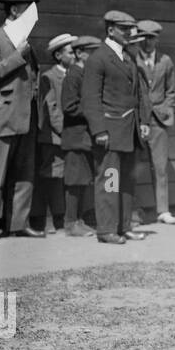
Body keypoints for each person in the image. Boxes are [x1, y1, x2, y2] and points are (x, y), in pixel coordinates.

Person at [0, 0, 44, 242]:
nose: (33, 16)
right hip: (4, 115)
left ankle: (18, 223)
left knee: (25, 174)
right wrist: (18, 55)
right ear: (14, 10)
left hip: (27, 117)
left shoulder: (25, 40)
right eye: (28, 10)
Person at [81, 10, 152, 244]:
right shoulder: (98, 59)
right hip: (110, 134)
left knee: (127, 182)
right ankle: (106, 230)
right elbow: (90, 98)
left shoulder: (128, 57)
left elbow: (139, 94)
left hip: (130, 132)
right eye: (124, 29)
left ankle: (124, 226)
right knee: (110, 181)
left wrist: (144, 122)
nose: (130, 33)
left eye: (131, 29)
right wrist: (99, 130)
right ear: (110, 30)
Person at [32, 33, 78, 233]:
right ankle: (49, 219)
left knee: (67, 177)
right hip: (53, 137)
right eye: (70, 53)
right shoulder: (49, 77)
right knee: (51, 177)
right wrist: (65, 132)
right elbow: (51, 109)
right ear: (58, 56)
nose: (75, 56)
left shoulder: (76, 75)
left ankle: (67, 218)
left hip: (69, 137)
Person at [135, 20, 175, 224]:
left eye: (151, 37)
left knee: (160, 167)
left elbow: (171, 91)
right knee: (132, 167)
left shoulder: (166, 61)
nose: (148, 41)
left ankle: (163, 210)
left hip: (159, 120)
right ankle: (132, 211)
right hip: (136, 120)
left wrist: (166, 109)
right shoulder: (131, 59)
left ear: (157, 39)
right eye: (144, 37)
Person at [59, 35, 102, 236]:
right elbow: (69, 107)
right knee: (75, 182)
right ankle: (71, 223)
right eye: (92, 52)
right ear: (79, 53)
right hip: (75, 138)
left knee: (83, 180)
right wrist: (94, 111)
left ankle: (79, 220)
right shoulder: (73, 76)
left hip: (85, 138)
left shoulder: (87, 75)